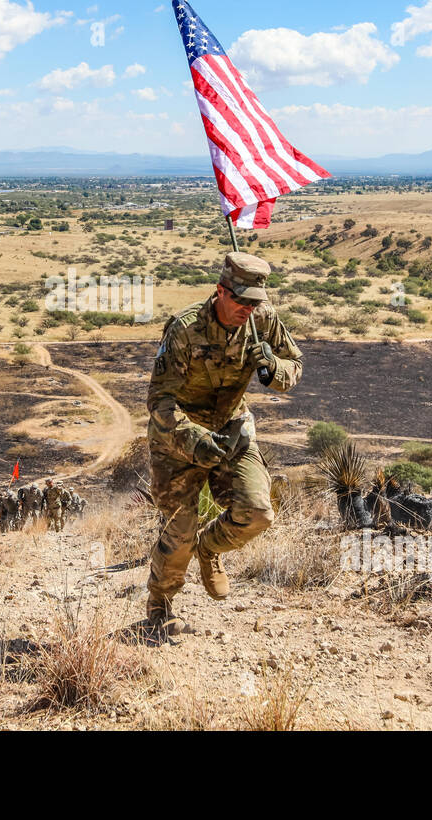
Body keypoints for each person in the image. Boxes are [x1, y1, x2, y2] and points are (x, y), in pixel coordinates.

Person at [144, 251, 303, 636]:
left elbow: (294, 366)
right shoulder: (185, 329)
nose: (248, 309)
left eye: (255, 301)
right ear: (220, 291)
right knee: (180, 528)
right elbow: (159, 402)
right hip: (179, 438)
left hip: (232, 429)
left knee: (258, 512)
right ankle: (160, 604)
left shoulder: (263, 320)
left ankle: (210, 548)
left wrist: (272, 369)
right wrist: (194, 441)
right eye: (241, 300)